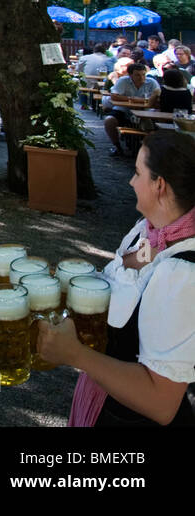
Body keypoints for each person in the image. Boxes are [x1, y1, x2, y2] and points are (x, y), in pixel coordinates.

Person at [38, 132, 195, 426]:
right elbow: (139, 264)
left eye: (137, 173)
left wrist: (76, 355)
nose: (131, 182)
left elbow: (161, 404)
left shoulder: (183, 274)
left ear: (159, 185)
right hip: (103, 402)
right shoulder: (151, 232)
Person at [104, 61, 161, 157]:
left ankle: (147, 150)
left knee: (154, 125)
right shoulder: (123, 81)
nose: (141, 78)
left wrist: (139, 101)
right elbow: (114, 96)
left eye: (143, 74)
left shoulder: (151, 82)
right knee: (109, 120)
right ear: (130, 75)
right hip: (124, 109)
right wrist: (131, 99)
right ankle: (117, 146)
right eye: (137, 75)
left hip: (145, 112)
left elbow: (158, 98)